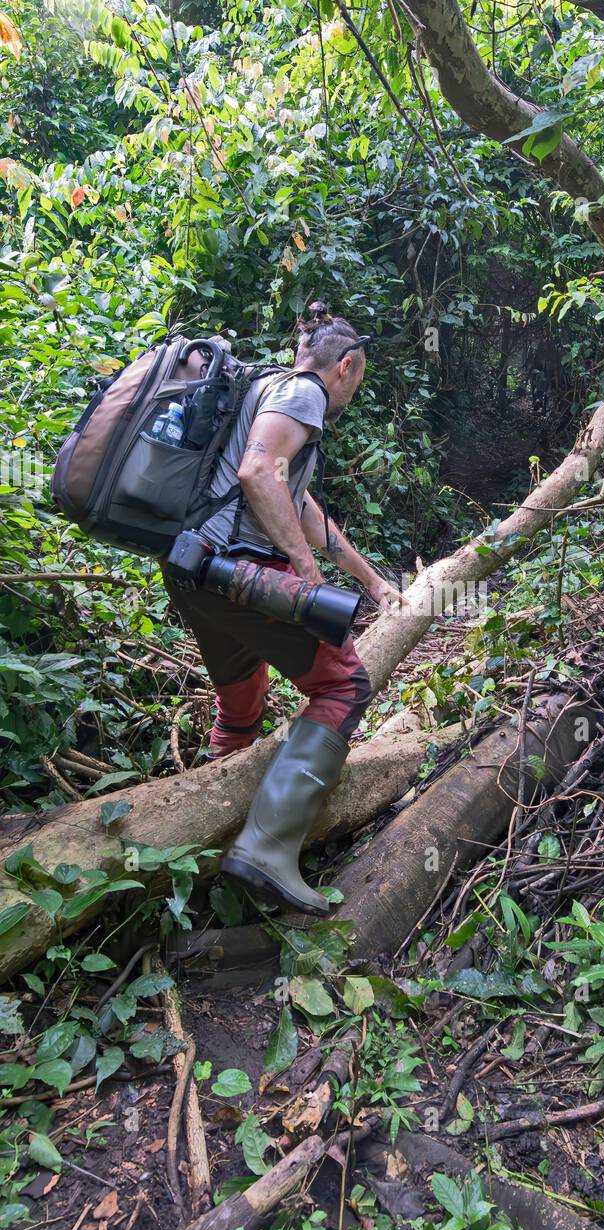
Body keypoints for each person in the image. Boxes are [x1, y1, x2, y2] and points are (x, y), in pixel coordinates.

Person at [164, 301, 403, 916]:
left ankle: (207, 841)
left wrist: (371, 582)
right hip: (241, 570)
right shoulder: (305, 397)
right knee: (345, 685)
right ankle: (265, 852)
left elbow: (298, 507)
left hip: (193, 570)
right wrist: (304, 580)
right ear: (345, 366)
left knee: (241, 699)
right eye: (361, 375)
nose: (357, 386)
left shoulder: (267, 389)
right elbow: (258, 474)